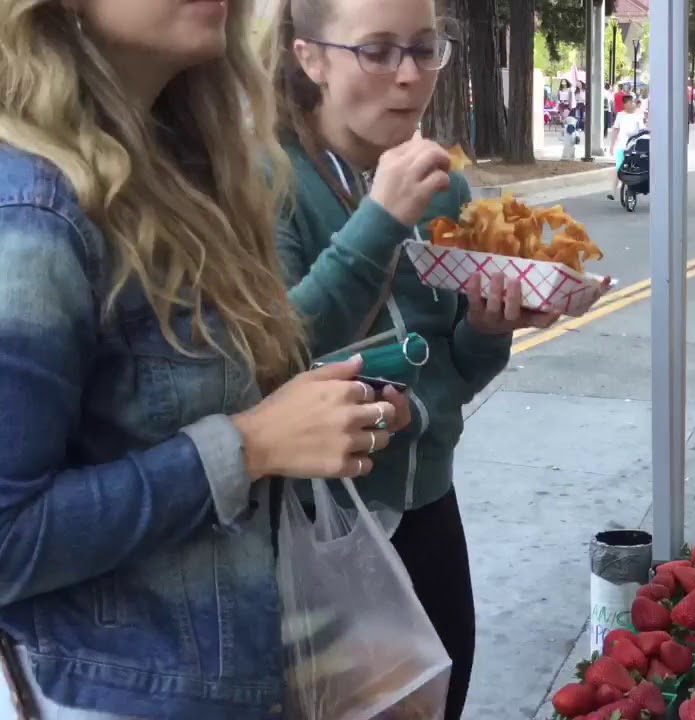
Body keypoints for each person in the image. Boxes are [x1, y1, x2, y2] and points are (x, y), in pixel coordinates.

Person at [0, 1, 403, 717]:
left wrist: (330, 409)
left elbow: (184, 402)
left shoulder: (184, 167)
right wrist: (248, 447)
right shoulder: (31, 209)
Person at [266, 1, 559, 717]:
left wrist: (492, 328)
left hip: (428, 503)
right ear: (311, 58)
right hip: (314, 528)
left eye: (425, 49)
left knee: (441, 696)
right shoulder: (265, 182)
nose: (408, 77)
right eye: (378, 51)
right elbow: (268, 357)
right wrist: (379, 220)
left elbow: (455, 375)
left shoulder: (446, 187)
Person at [608, 94, 646, 200]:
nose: (633, 104)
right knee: (619, 167)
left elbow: (643, 130)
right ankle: (613, 191)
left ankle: (634, 187)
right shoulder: (620, 115)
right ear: (625, 104)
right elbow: (615, 130)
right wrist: (612, 145)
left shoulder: (638, 115)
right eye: (630, 102)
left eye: (633, 102)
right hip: (622, 147)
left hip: (634, 147)